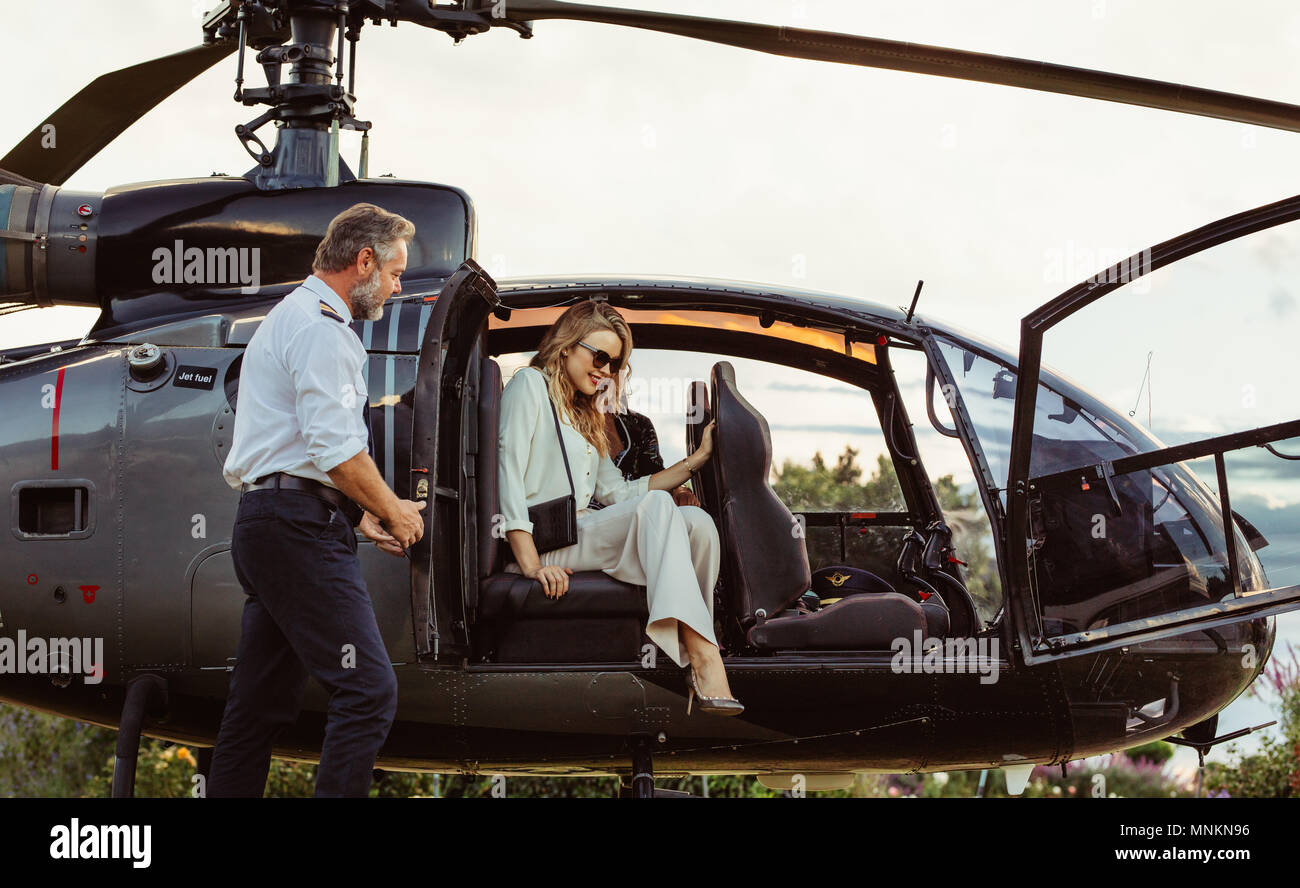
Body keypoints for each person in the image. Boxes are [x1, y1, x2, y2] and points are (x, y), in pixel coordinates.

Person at [211, 203, 425, 797]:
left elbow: (299, 450)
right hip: (296, 532)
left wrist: (357, 515)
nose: (397, 285)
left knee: (257, 707)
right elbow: (336, 452)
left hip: (272, 524)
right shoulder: (322, 331)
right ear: (364, 262)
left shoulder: (292, 317)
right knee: (368, 690)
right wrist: (394, 509)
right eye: (394, 273)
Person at [497, 301, 742, 715]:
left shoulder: (581, 412)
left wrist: (696, 460)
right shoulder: (528, 385)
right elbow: (507, 471)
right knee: (658, 508)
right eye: (601, 357)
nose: (607, 371)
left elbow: (621, 493)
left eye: (615, 364)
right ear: (568, 346)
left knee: (697, 522)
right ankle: (704, 656)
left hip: (584, 531)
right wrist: (531, 564)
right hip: (546, 542)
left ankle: (687, 646)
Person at [588, 365, 700, 509]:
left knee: (694, 516)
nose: (607, 372)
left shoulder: (639, 424)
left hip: (637, 509)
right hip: (591, 517)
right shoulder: (570, 419)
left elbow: (656, 471)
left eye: (616, 365)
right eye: (600, 361)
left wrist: (680, 489)